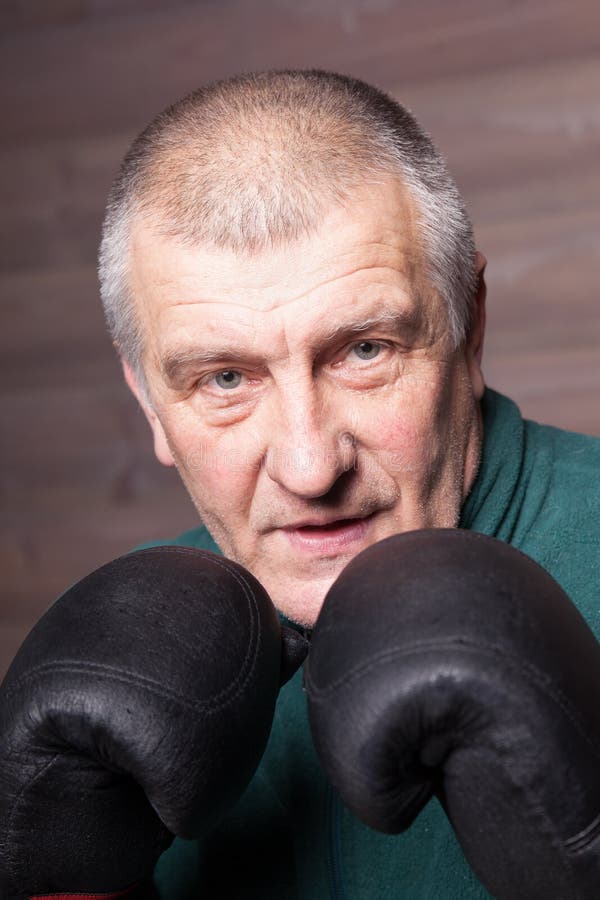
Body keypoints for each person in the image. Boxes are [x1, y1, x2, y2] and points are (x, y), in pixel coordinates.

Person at [96, 70, 600, 898]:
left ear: (468, 329)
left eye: (364, 351)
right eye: (225, 378)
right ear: (149, 402)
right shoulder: (117, 659)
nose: (309, 466)